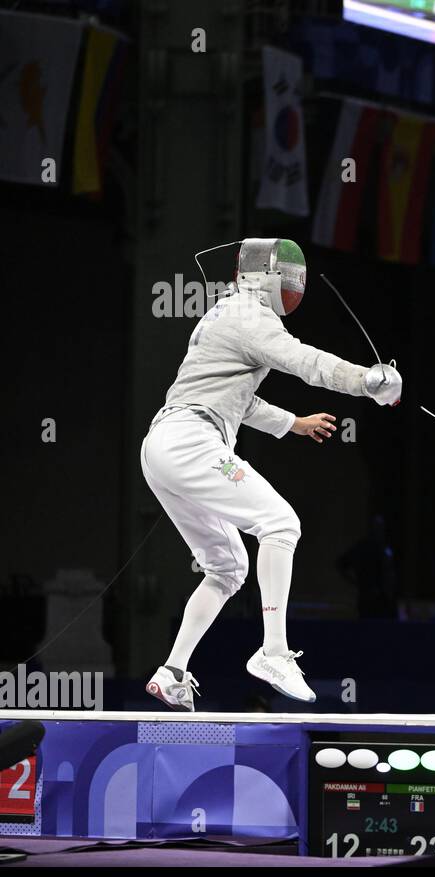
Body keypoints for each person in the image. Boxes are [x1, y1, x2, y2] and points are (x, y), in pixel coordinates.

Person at [140, 238, 402, 711]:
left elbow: (239, 398)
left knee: (227, 568)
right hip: (191, 440)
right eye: (293, 278)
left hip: (164, 446)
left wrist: (293, 424)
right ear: (270, 277)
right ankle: (274, 652)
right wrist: (367, 381)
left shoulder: (223, 314)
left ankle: (173, 671)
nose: (297, 288)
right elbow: (305, 363)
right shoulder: (250, 315)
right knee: (281, 524)